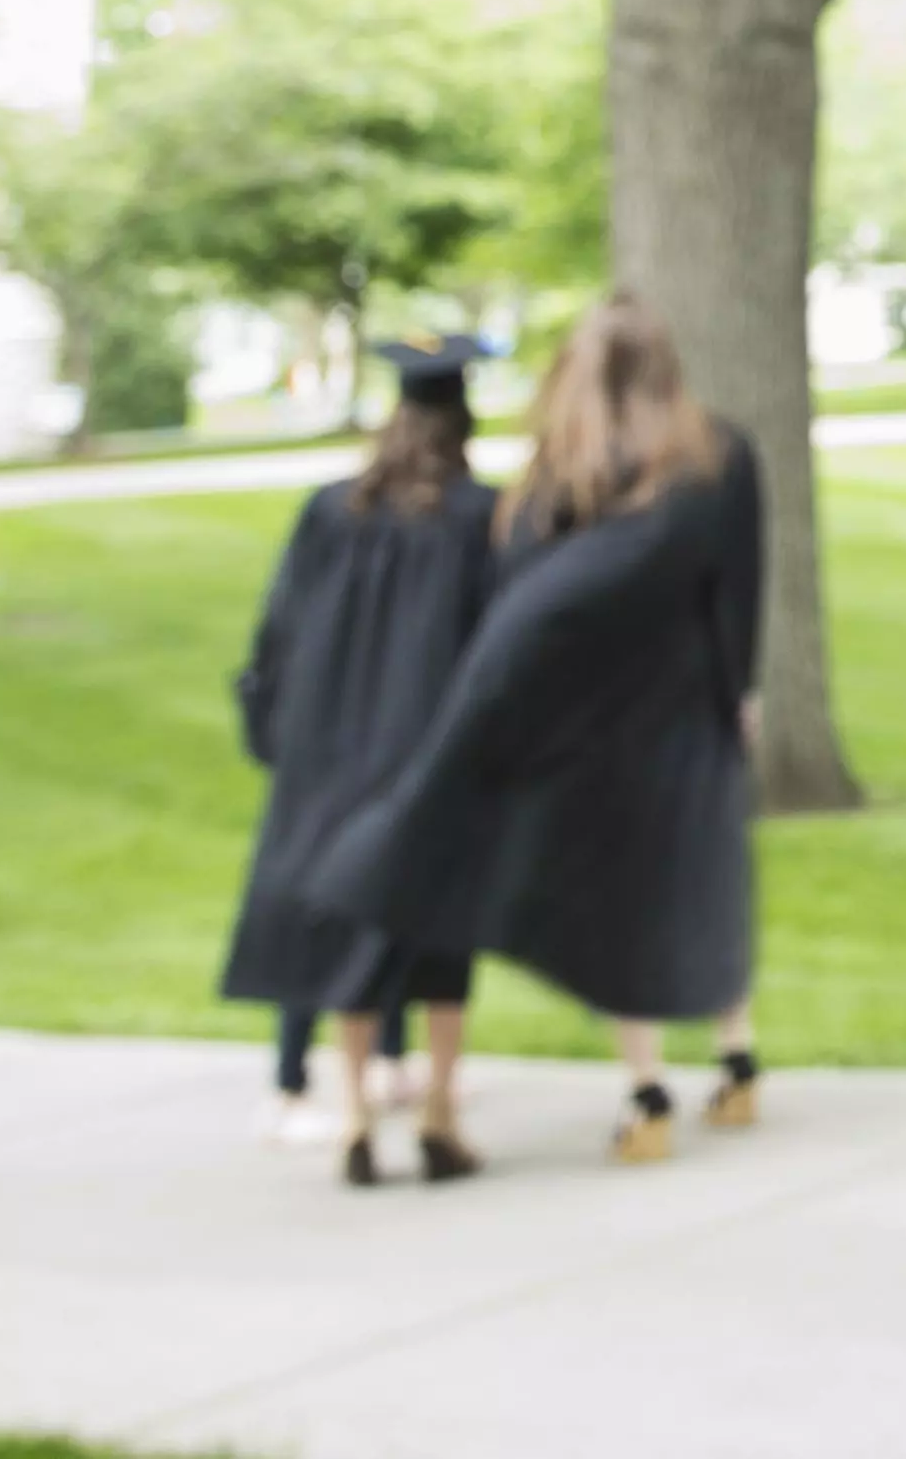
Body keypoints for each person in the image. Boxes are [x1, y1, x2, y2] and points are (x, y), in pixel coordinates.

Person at [316, 293, 767, 1168]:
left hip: (599, 714)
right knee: (702, 879)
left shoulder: (560, 469)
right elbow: (738, 586)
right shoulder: (719, 454)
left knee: (624, 893)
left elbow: (524, 591)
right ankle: (737, 1058)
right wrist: (739, 690)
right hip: (685, 701)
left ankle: (646, 1092)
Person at [221, 335, 495, 1187]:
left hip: (334, 756)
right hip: (435, 758)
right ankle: (441, 1112)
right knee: (442, 938)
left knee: (349, 930)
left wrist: (278, 738)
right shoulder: (483, 516)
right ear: (464, 419)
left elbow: (279, 634)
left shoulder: (328, 512)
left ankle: (354, 1115)